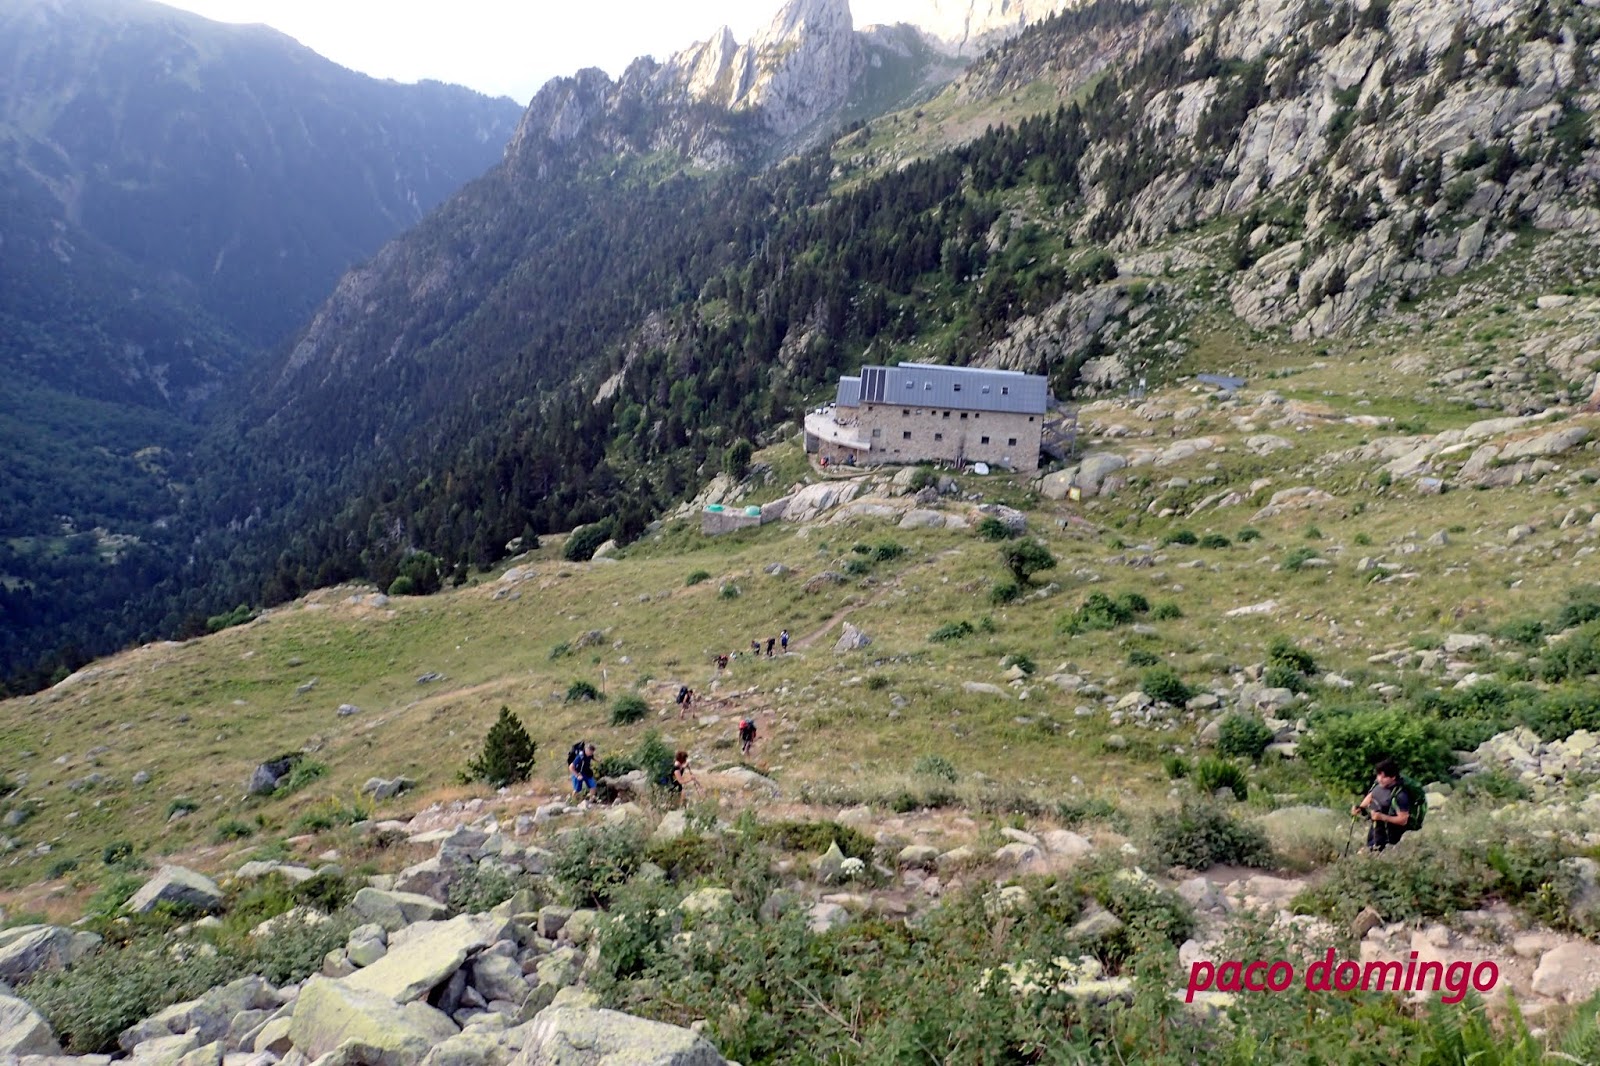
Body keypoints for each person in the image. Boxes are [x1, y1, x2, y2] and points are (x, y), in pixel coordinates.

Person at [1353, 758, 1412, 852]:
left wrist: (1381, 817)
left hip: (1390, 837)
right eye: (1378, 775)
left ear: (1393, 777)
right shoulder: (1378, 787)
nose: (1380, 779)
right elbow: (1371, 796)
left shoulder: (1400, 795)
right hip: (1375, 832)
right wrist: (1360, 808)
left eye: (1384, 777)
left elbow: (1403, 820)